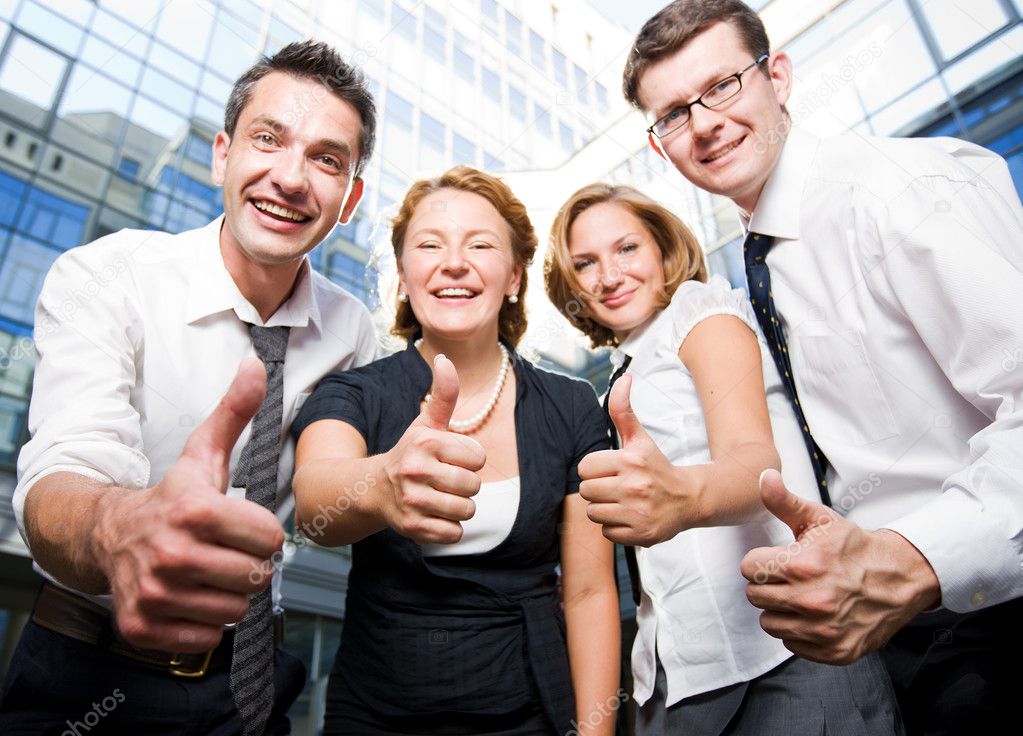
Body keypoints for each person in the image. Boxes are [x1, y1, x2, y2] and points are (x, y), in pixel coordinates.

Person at [621, 1, 1023, 734]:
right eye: (674, 113)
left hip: (994, 618)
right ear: (660, 146)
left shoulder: (897, 187)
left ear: (778, 75)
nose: (704, 122)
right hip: (896, 642)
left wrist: (914, 561)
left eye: (721, 86)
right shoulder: (759, 265)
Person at [1, 41, 378, 735]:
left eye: (326, 159)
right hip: (83, 675)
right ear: (221, 155)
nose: (291, 178)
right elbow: (62, 468)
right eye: (268, 139)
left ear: (349, 199)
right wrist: (121, 530)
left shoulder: (353, 332)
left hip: (255, 683)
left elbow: (342, 486)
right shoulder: (107, 274)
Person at [545, 182, 902, 735]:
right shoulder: (620, 375)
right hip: (678, 679)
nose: (608, 276)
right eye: (585, 263)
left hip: (785, 655)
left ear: (663, 249)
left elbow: (754, 459)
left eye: (627, 249)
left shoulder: (702, 314)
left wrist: (680, 498)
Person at [290, 165, 620, 736]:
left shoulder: (570, 404)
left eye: (481, 245)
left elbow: (590, 592)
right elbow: (314, 503)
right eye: (430, 245)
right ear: (402, 274)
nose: (454, 263)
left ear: (514, 275)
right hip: (377, 714)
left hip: (536, 711)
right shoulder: (353, 393)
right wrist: (384, 481)